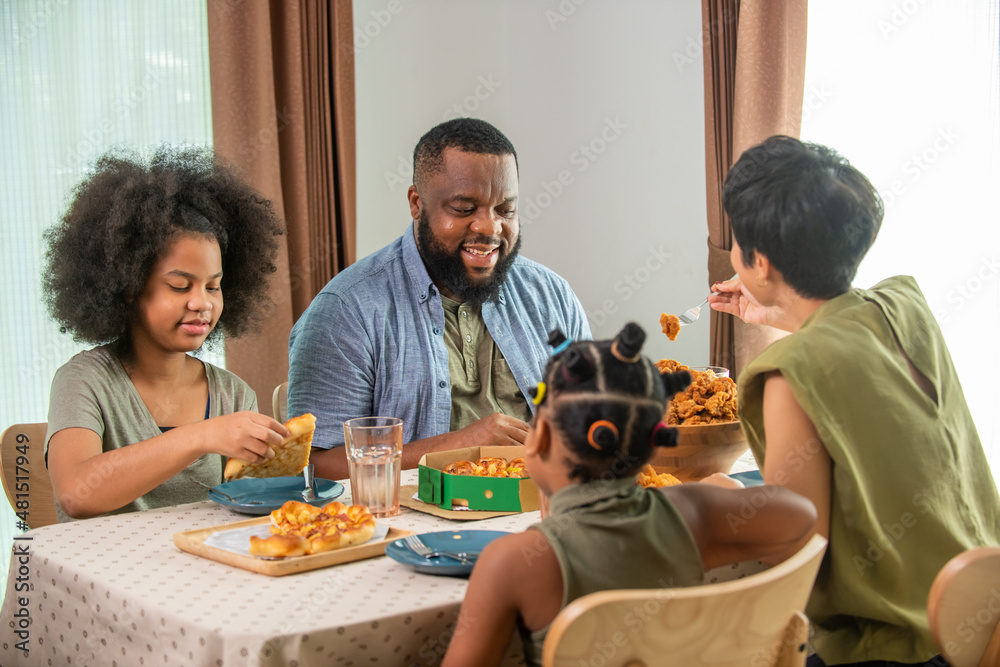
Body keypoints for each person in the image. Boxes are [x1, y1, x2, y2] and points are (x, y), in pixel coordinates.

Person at [708, 135, 1000, 667]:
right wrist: (778, 313)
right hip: (979, 620)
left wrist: (724, 497)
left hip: (892, 649)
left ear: (761, 263)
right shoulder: (904, 305)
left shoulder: (790, 376)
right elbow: (849, 333)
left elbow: (796, 555)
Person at [441, 323, 817, 667]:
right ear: (653, 447)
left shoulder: (510, 562)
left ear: (537, 439)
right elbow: (803, 517)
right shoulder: (693, 512)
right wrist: (721, 496)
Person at [288, 118, 591, 481]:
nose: (489, 228)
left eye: (505, 210)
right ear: (417, 203)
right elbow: (312, 467)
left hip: (544, 510)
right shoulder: (347, 310)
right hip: (411, 527)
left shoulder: (550, 295)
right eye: (465, 209)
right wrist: (458, 446)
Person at [43, 145, 290, 521]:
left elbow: (250, 511)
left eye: (213, 286)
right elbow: (77, 494)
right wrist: (200, 436)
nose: (201, 303)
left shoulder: (232, 394)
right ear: (129, 286)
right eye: (180, 286)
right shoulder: (84, 382)